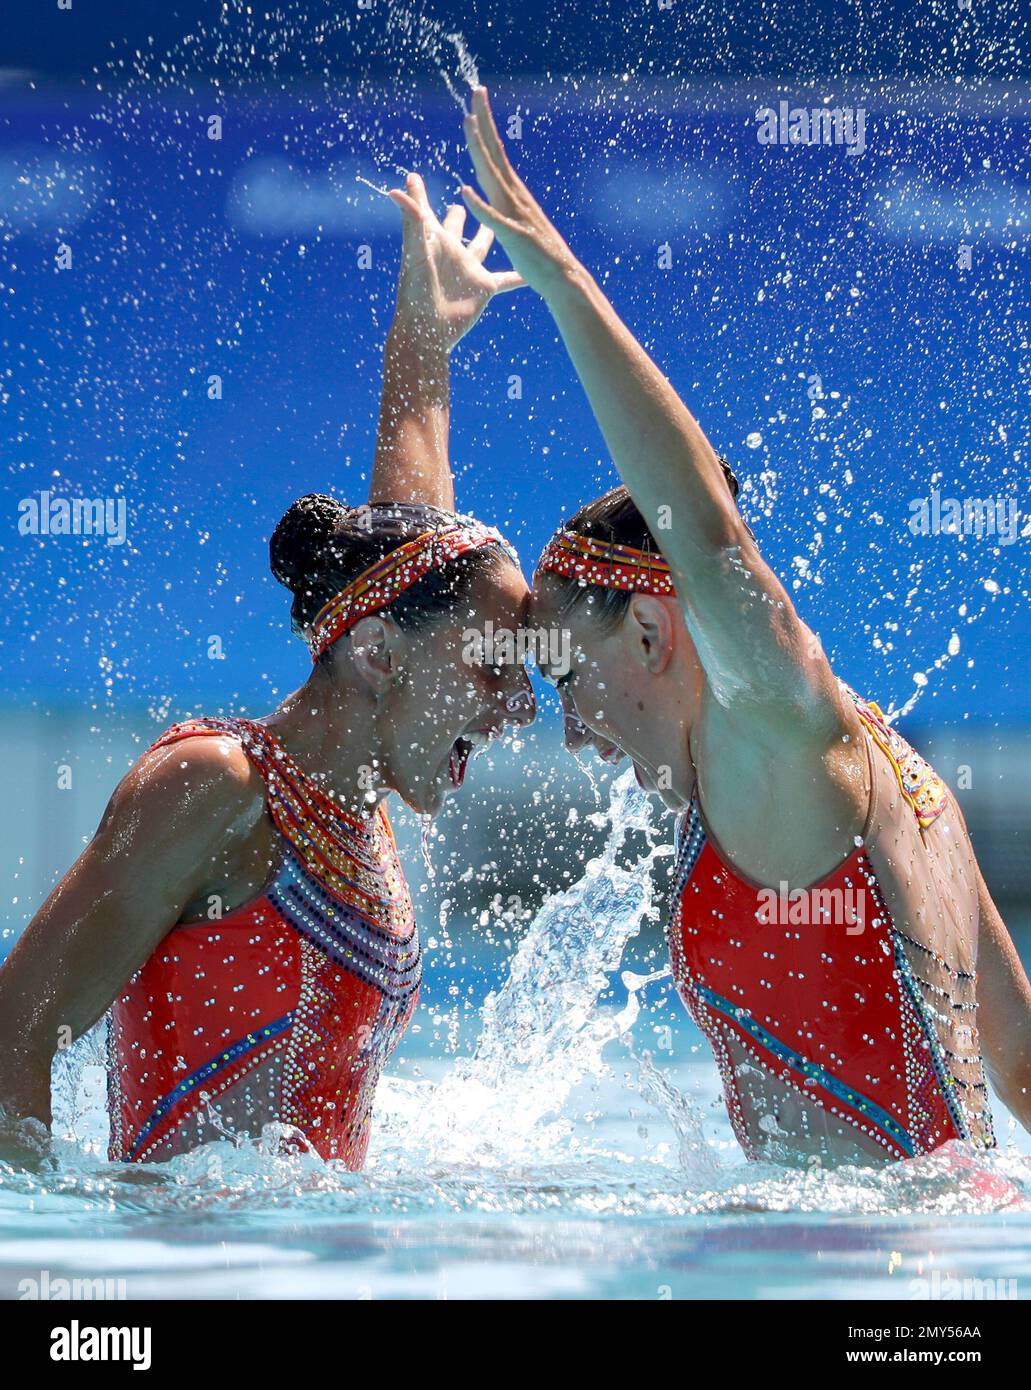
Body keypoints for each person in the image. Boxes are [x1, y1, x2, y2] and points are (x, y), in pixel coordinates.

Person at [458, 86, 1031, 1165]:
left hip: (870, 1268)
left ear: (646, 633)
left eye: (570, 685)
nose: (572, 736)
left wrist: (563, 286)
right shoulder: (898, 778)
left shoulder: (773, 737)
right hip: (917, 1256)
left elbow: (706, 538)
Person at [0, 172, 534, 1166]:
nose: (519, 709)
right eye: (497, 670)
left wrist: (420, 342)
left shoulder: (359, 770)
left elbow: (413, 552)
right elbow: (10, 1038)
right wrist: (60, 1247)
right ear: (374, 656)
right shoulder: (218, 786)